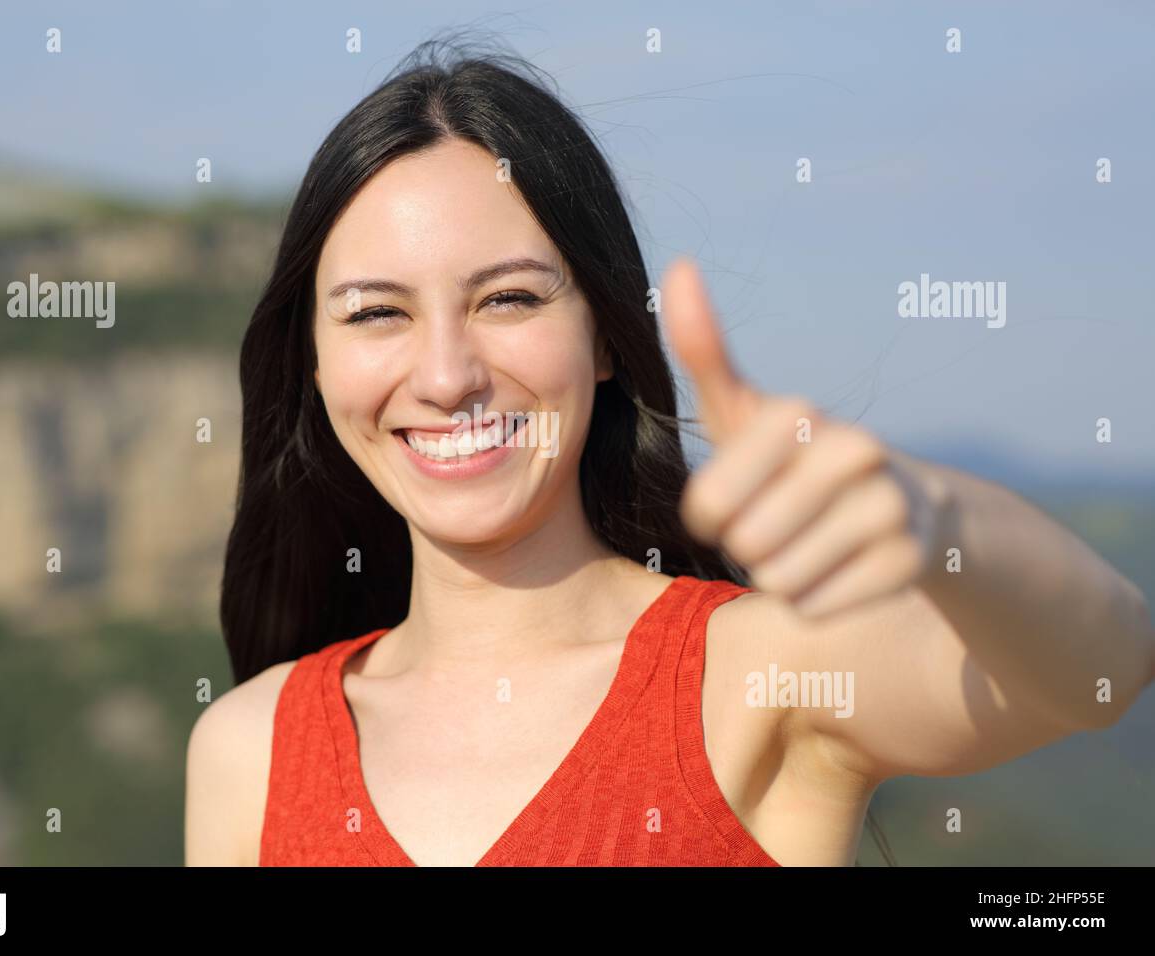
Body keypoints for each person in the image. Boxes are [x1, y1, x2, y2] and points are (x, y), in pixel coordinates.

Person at [185, 41, 1154, 867]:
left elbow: (1101, 668)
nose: (446, 375)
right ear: (312, 364)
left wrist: (935, 517)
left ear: (604, 334)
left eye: (509, 298)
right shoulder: (249, 749)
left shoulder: (755, 672)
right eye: (377, 314)